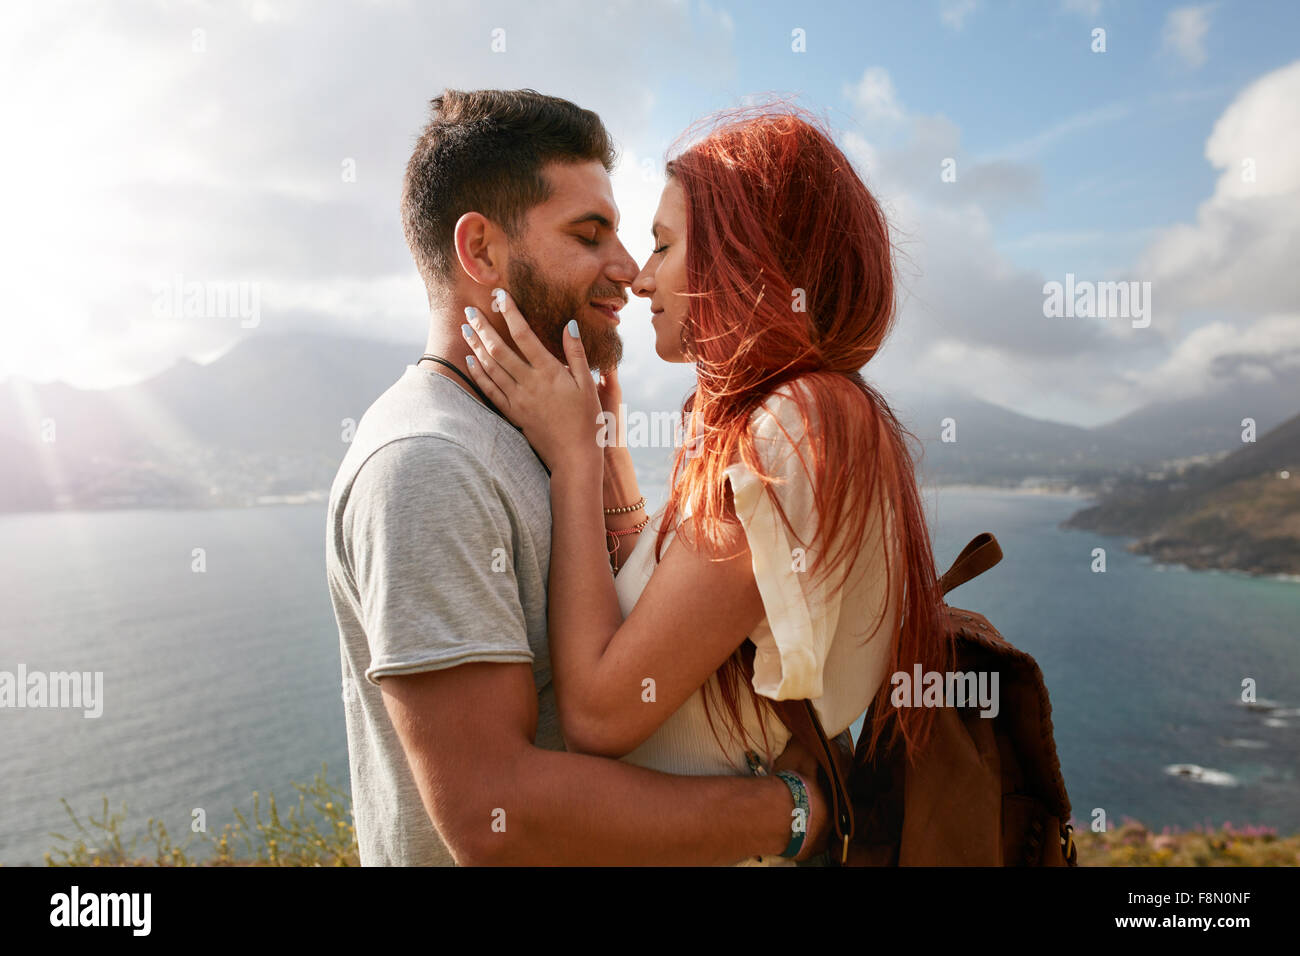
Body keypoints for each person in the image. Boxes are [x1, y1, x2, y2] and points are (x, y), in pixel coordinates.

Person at [325, 89, 829, 866]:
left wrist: (598, 452)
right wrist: (793, 815)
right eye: (590, 235)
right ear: (482, 253)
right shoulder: (428, 464)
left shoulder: (538, 429)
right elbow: (499, 812)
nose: (628, 270)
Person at [462, 105, 955, 865]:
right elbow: (681, 635)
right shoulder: (798, 414)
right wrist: (612, 465)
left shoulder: (796, 424)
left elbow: (600, 712)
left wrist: (572, 459)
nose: (641, 274)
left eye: (663, 244)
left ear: (745, 258)